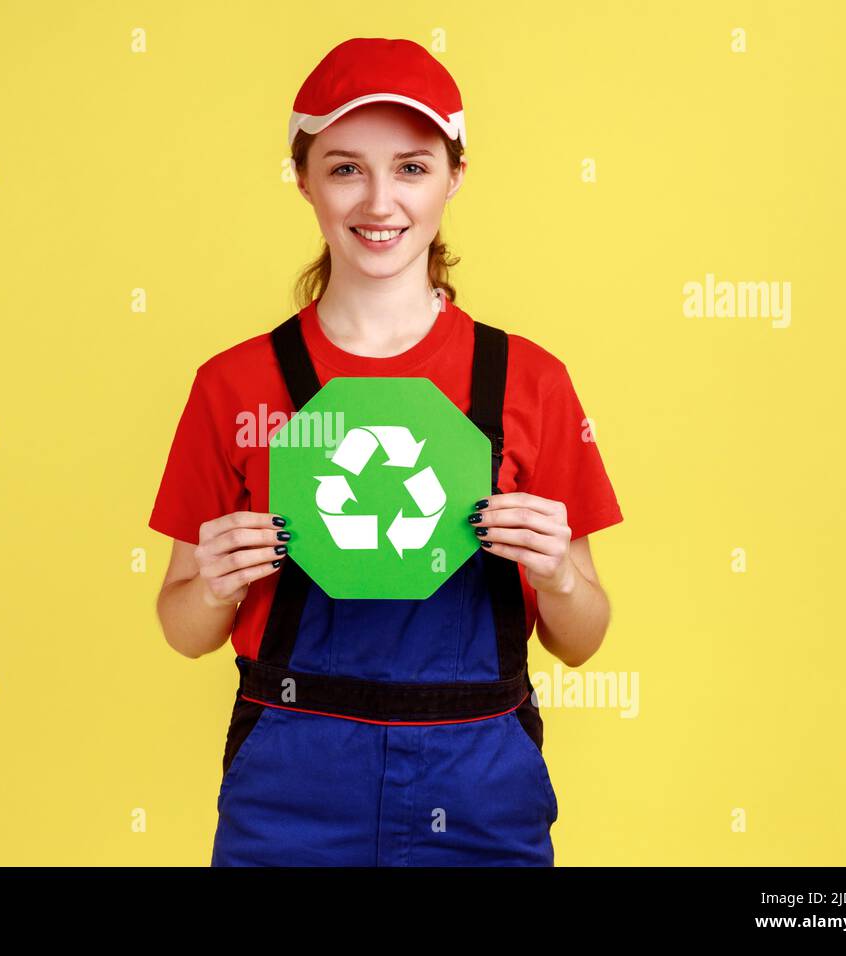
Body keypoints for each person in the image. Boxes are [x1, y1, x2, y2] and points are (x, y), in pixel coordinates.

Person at [148, 37, 624, 866]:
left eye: (411, 167)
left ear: (454, 175)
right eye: (344, 168)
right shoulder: (234, 383)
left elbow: (581, 638)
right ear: (302, 178)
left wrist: (559, 575)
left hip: (479, 787)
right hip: (291, 787)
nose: (379, 200)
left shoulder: (530, 381)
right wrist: (215, 585)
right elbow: (182, 627)